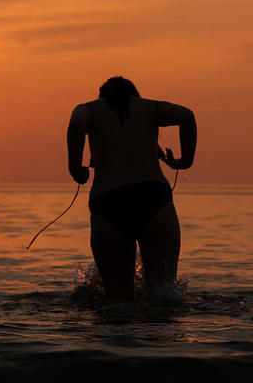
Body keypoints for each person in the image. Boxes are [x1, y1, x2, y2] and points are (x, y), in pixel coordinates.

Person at [66, 76, 196, 301]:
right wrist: (185, 161)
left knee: (117, 302)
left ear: (102, 96)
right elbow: (187, 116)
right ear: (135, 96)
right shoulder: (150, 107)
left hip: (109, 202)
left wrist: (75, 168)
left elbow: (77, 120)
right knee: (163, 294)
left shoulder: (91, 110)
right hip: (154, 199)